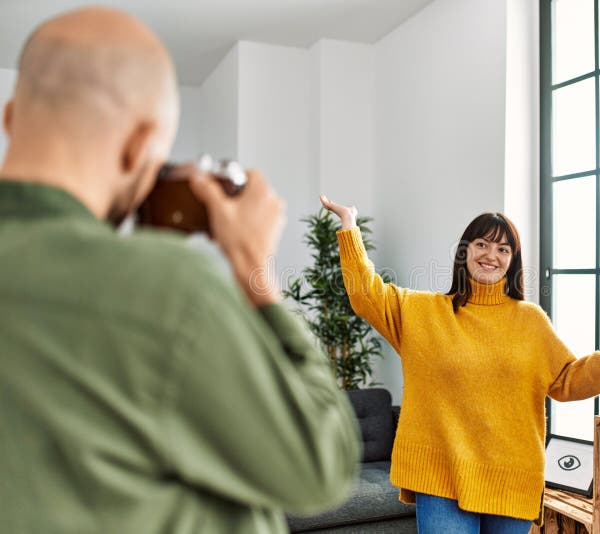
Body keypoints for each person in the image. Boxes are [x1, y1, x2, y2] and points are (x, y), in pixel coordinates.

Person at [0, 7, 360, 533]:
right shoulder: (170, 291)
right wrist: (256, 271)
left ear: (10, 117)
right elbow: (322, 466)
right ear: (140, 145)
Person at [320, 194, 600, 533]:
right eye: (483, 244)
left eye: (503, 249)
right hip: (442, 475)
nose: (491, 256)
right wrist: (349, 226)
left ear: (512, 260)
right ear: (465, 251)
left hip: (512, 476)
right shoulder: (421, 312)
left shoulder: (529, 320)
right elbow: (365, 292)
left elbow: (567, 380)